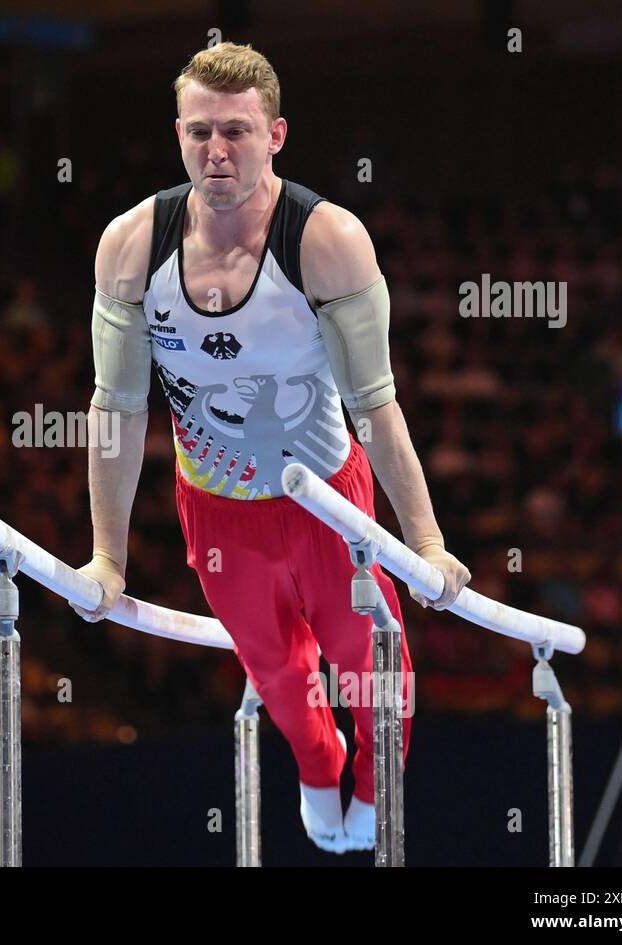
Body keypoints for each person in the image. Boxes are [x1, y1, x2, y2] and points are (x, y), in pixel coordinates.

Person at [71, 42, 471, 853]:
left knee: (379, 680)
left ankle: (370, 784)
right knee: (284, 680)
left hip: (328, 498)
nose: (217, 152)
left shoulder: (328, 242)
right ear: (178, 134)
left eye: (238, 132)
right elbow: (114, 412)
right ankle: (319, 768)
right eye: (200, 132)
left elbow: (379, 410)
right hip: (217, 513)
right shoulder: (130, 248)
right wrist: (106, 559)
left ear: (277, 134)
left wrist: (423, 543)